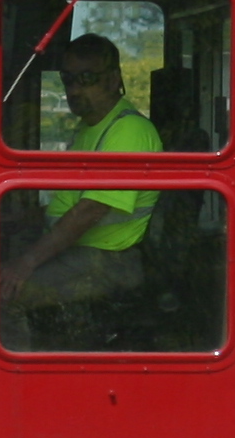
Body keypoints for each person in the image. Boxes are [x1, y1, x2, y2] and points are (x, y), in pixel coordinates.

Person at [10, 34, 161, 297]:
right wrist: (17, 220)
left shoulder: (128, 131)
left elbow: (90, 210)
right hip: (81, 250)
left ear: (113, 80)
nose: (74, 89)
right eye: (68, 79)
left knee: (2, 294)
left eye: (87, 78)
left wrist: (26, 263)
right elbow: (72, 201)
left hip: (109, 261)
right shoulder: (89, 127)